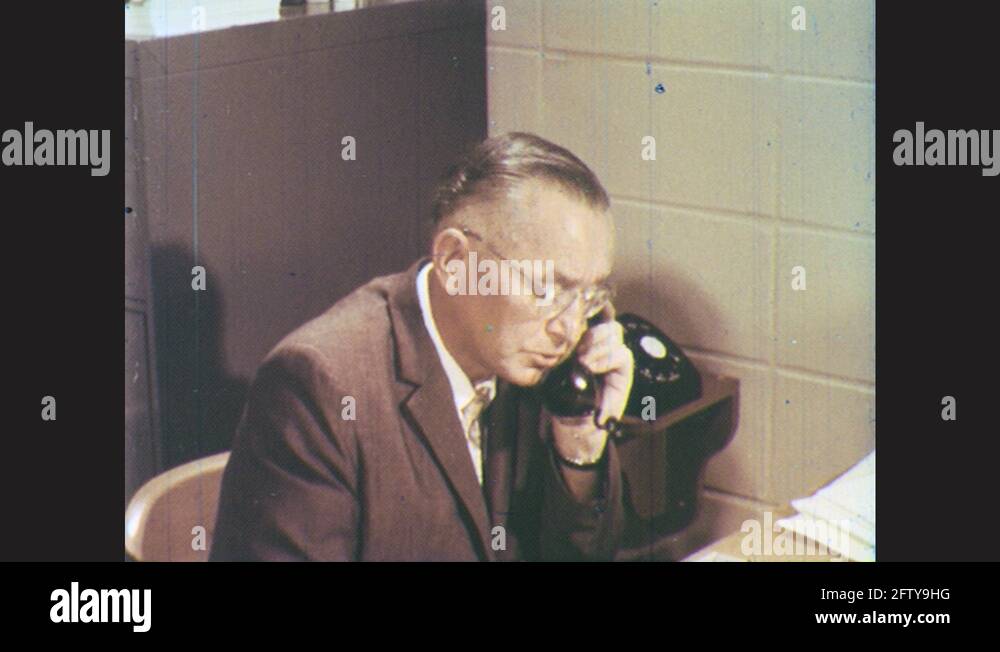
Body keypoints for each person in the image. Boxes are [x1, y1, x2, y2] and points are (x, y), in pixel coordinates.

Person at [209, 132, 634, 561]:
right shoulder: (322, 386)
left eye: (589, 296)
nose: (569, 327)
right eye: (545, 288)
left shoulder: (538, 360)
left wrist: (580, 433)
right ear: (453, 260)